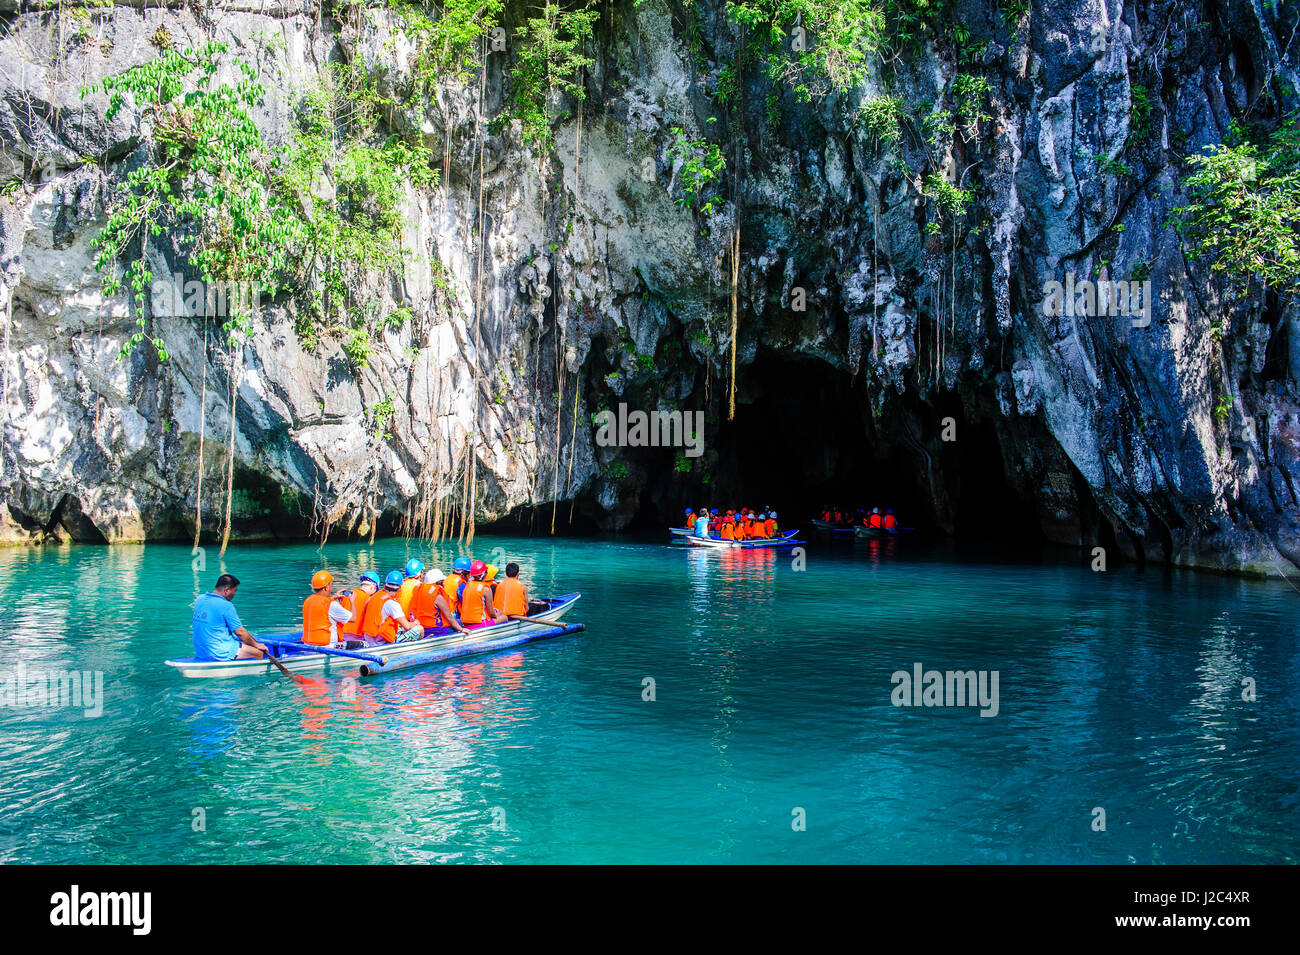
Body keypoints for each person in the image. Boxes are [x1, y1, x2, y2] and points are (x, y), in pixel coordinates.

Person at [192, 574, 267, 661]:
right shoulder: (226, 605)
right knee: (259, 653)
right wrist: (257, 645)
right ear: (227, 590)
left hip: (201, 652)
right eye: (234, 591)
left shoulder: (199, 599)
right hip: (219, 652)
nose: (234, 594)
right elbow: (240, 632)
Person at [362, 571, 423, 644]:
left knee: (400, 627)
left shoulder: (374, 596)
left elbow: (366, 611)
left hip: (368, 638)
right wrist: (415, 622)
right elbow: (407, 626)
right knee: (420, 629)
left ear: (385, 586)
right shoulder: (392, 604)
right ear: (400, 589)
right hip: (381, 641)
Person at [412, 569, 469, 633]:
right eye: (442, 581)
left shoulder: (419, 591)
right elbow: (449, 618)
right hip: (436, 629)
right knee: (459, 623)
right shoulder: (437, 596)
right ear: (439, 582)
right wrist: (461, 629)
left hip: (421, 627)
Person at [302, 570, 343, 647]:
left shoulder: (308, 600)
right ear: (327, 587)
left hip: (307, 645)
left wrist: (333, 598)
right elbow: (352, 619)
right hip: (326, 647)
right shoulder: (332, 604)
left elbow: (321, 605)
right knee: (364, 644)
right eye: (331, 584)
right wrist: (352, 601)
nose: (332, 587)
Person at [459, 560, 504, 626]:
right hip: (479, 623)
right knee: (504, 617)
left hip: (465, 623)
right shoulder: (486, 589)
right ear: (485, 574)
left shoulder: (467, 585)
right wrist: (497, 616)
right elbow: (491, 613)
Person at [339, 572, 380, 640]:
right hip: (357, 638)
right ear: (373, 587)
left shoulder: (346, 595)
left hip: (340, 636)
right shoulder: (369, 600)